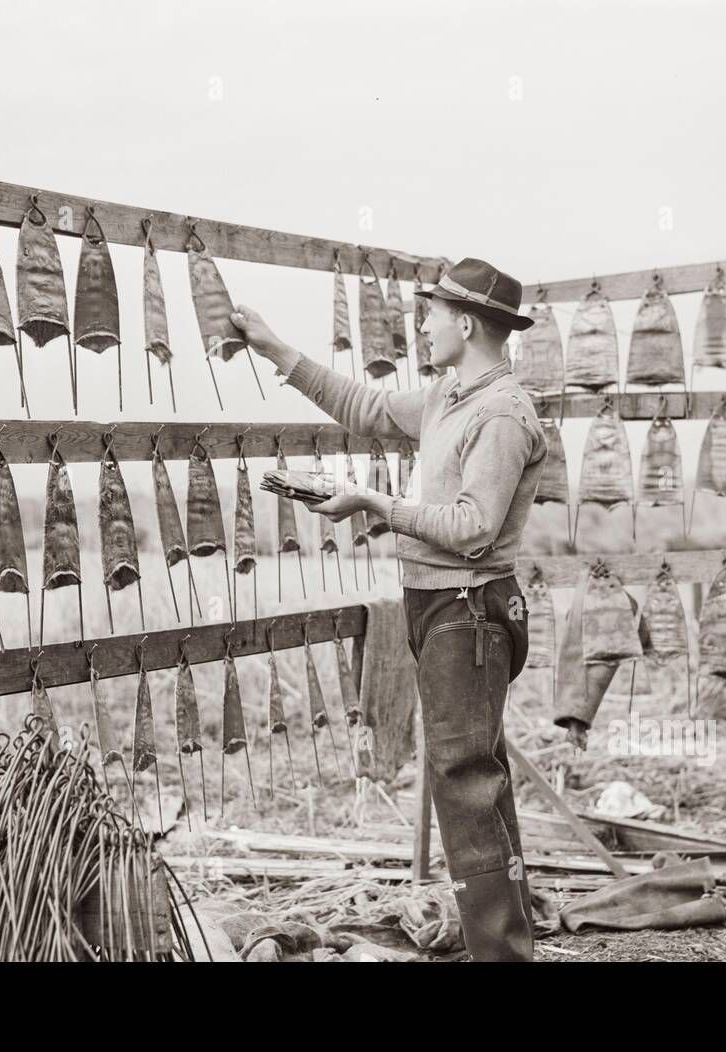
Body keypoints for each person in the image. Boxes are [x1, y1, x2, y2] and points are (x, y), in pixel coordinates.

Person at [231, 257, 546, 961]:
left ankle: (502, 953)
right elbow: (365, 408)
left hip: (469, 612)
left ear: (466, 324)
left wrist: (377, 505)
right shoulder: (448, 397)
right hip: (438, 607)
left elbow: (473, 526)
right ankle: (504, 946)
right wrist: (274, 347)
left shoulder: (500, 412)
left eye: (432, 314)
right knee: (474, 781)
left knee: (465, 784)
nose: (422, 325)